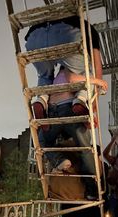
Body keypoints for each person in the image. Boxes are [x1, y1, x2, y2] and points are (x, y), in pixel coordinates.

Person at [38, 66, 107, 200]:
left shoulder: (56, 77)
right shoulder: (71, 70)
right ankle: (92, 190)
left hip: (53, 112)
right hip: (70, 109)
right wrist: (98, 81)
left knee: (42, 141)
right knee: (86, 150)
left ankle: (59, 160)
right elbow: (72, 78)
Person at [25, 16, 105, 120]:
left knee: (44, 76)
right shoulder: (90, 31)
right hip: (67, 34)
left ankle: (41, 100)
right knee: (86, 73)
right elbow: (97, 67)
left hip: (34, 38)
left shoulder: (73, 21)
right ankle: (80, 100)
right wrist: (94, 104)